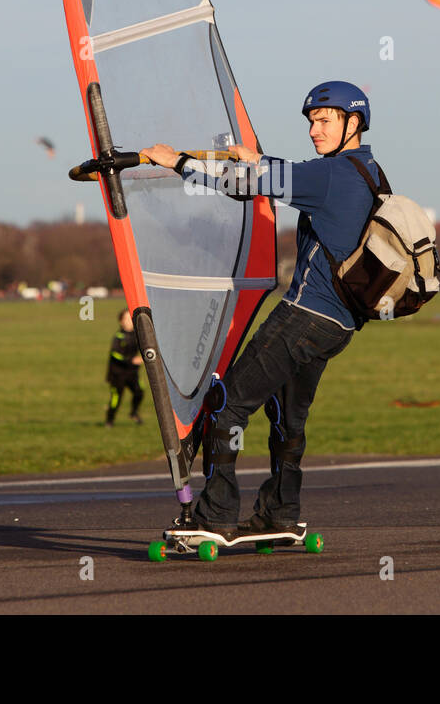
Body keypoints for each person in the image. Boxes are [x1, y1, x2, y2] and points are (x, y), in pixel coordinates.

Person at [141, 80, 378, 540]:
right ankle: (281, 511)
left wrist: (178, 163)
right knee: (289, 418)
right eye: (311, 121)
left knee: (227, 405)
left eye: (325, 120)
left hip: (304, 316)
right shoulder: (366, 172)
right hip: (340, 325)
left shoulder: (327, 175)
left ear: (353, 124)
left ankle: (216, 515)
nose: (314, 129)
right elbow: (283, 174)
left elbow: (243, 185)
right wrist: (261, 162)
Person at [105, 308, 144, 426]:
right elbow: (115, 353)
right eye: (126, 319)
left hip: (132, 373)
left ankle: (133, 413)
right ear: (121, 321)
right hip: (117, 373)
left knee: (139, 392)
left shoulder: (137, 335)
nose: (129, 322)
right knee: (116, 398)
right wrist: (131, 360)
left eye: (131, 319)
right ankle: (109, 420)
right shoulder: (119, 336)